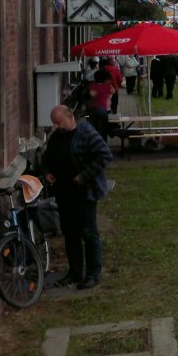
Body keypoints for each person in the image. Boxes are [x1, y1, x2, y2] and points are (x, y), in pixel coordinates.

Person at [41, 105, 111, 290]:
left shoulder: (86, 132)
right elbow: (46, 158)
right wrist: (47, 172)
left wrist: (84, 176)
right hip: (64, 191)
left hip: (84, 191)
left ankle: (93, 273)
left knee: (88, 232)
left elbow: (104, 156)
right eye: (54, 123)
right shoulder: (56, 137)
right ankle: (74, 271)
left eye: (59, 122)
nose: (57, 126)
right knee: (70, 233)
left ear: (70, 117)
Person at [87, 67, 116, 139]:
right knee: (103, 129)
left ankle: (95, 144)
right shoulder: (107, 87)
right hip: (103, 110)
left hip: (93, 109)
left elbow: (92, 94)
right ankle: (103, 144)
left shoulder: (93, 86)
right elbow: (113, 91)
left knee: (94, 128)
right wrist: (110, 84)